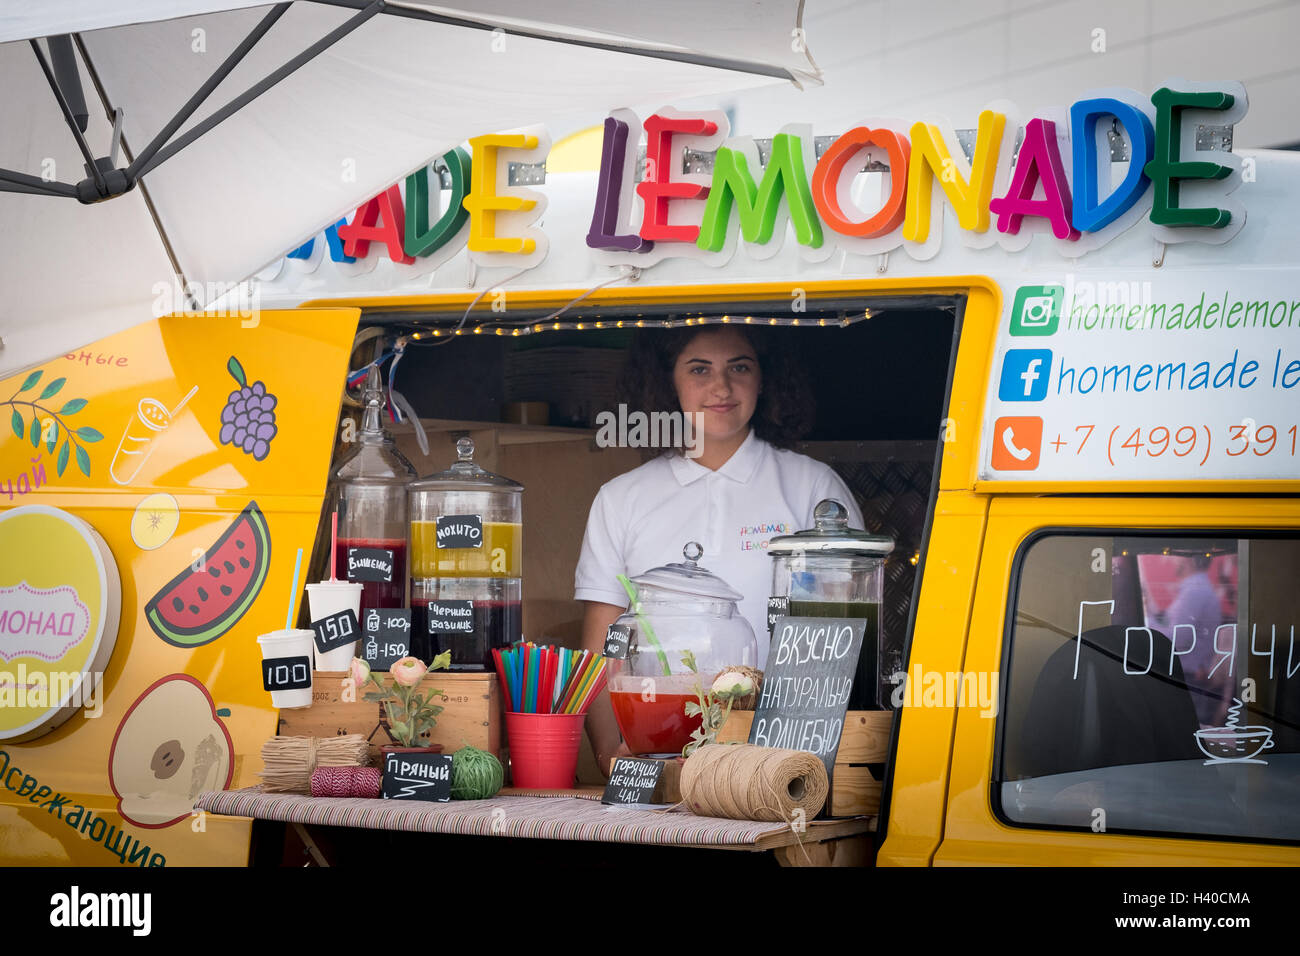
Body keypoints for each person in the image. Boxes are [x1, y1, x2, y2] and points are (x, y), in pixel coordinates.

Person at [574, 325, 864, 772]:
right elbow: (602, 647)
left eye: (740, 367)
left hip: (784, 749)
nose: (721, 387)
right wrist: (611, 758)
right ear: (666, 381)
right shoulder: (621, 498)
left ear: (766, 378)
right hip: (658, 748)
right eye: (699, 369)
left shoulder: (812, 487)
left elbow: (842, 640)